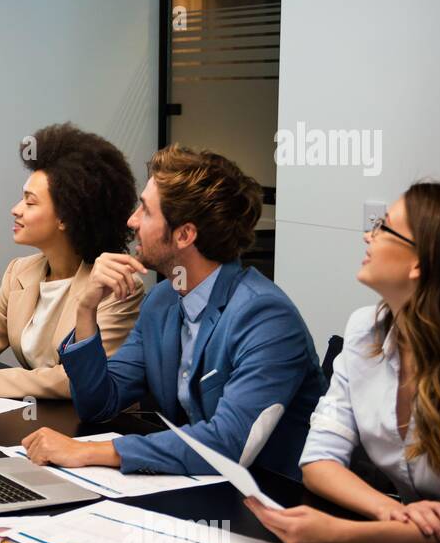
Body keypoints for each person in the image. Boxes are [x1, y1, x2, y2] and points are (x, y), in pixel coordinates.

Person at [246, 184, 440, 543]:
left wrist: (344, 536)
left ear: (420, 264)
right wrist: (389, 511)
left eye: (383, 227)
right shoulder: (365, 329)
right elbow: (318, 462)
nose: (368, 234)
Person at [21, 144, 325, 479]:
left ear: (184, 235)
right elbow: (99, 403)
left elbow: (228, 444)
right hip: (200, 487)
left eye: (146, 211)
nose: (132, 221)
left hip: (275, 501)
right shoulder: (163, 301)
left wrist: (88, 451)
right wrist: (86, 307)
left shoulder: (265, 317)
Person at [0, 124, 143, 398]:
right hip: (40, 421)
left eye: (30, 203)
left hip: (94, 428)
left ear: (66, 217)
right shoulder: (20, 271)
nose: (15, 209)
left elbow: (77, 380)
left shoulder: (116, 288)